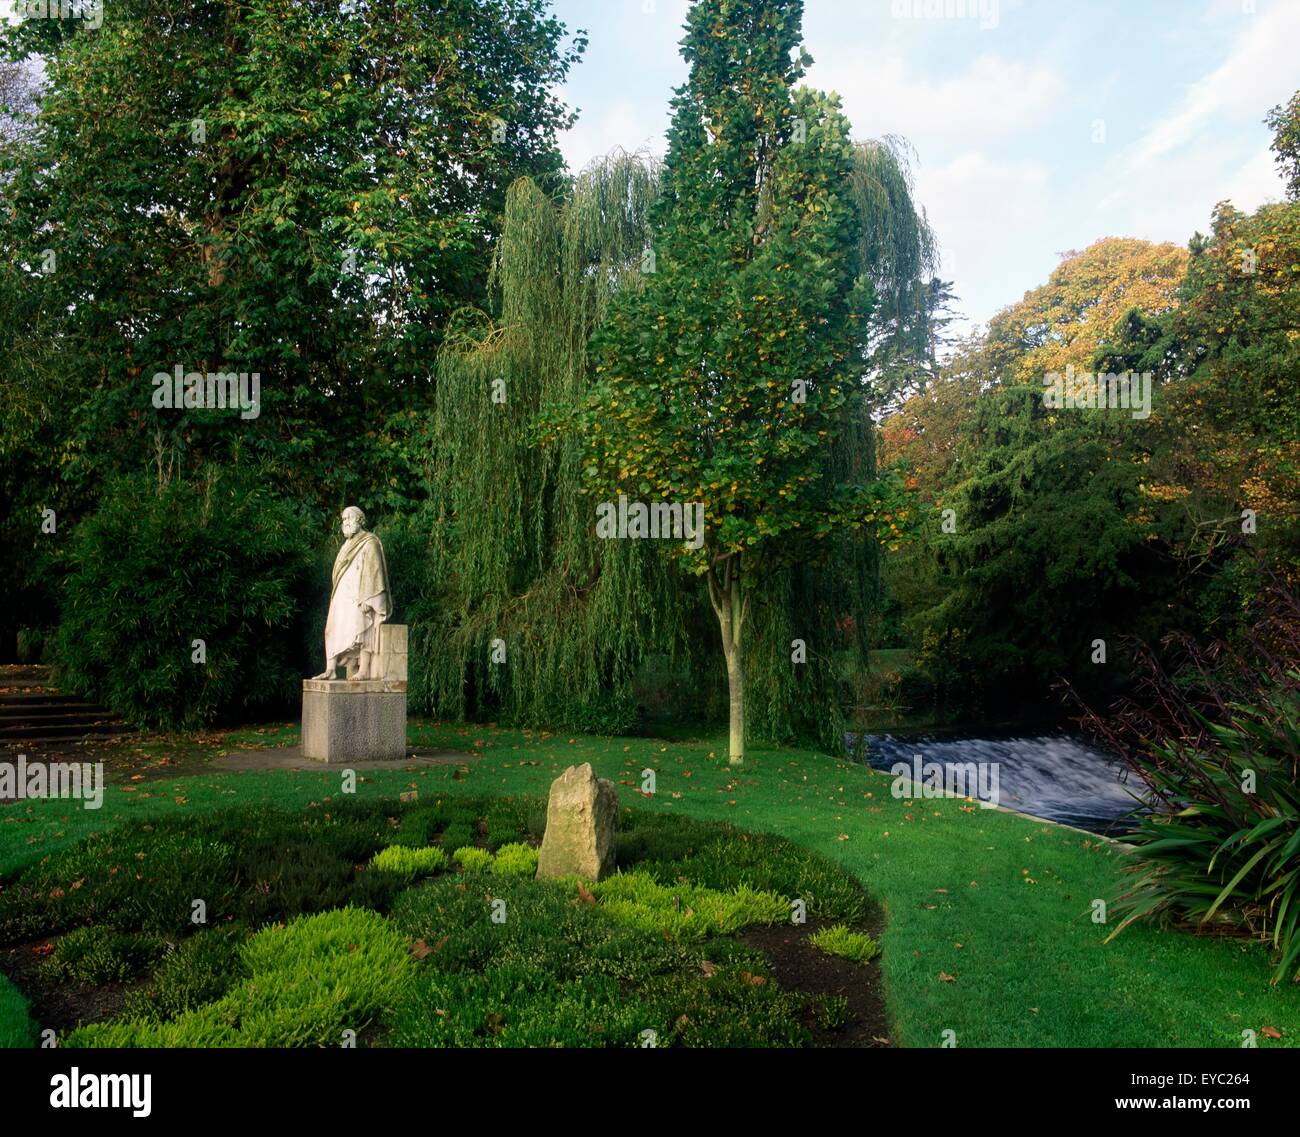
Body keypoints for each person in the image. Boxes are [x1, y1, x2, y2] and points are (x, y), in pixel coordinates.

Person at [314, 506, 391, 680]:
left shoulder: (369, 542)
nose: (345, 522)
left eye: (349, 518)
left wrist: (369, 597)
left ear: (359, 520)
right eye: (343, 519)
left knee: (362, 629)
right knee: (331, 629)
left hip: (360, 595)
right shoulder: (346, 544)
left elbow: (374, 571)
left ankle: (363, 669)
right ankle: (331, 669)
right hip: (342, 595)